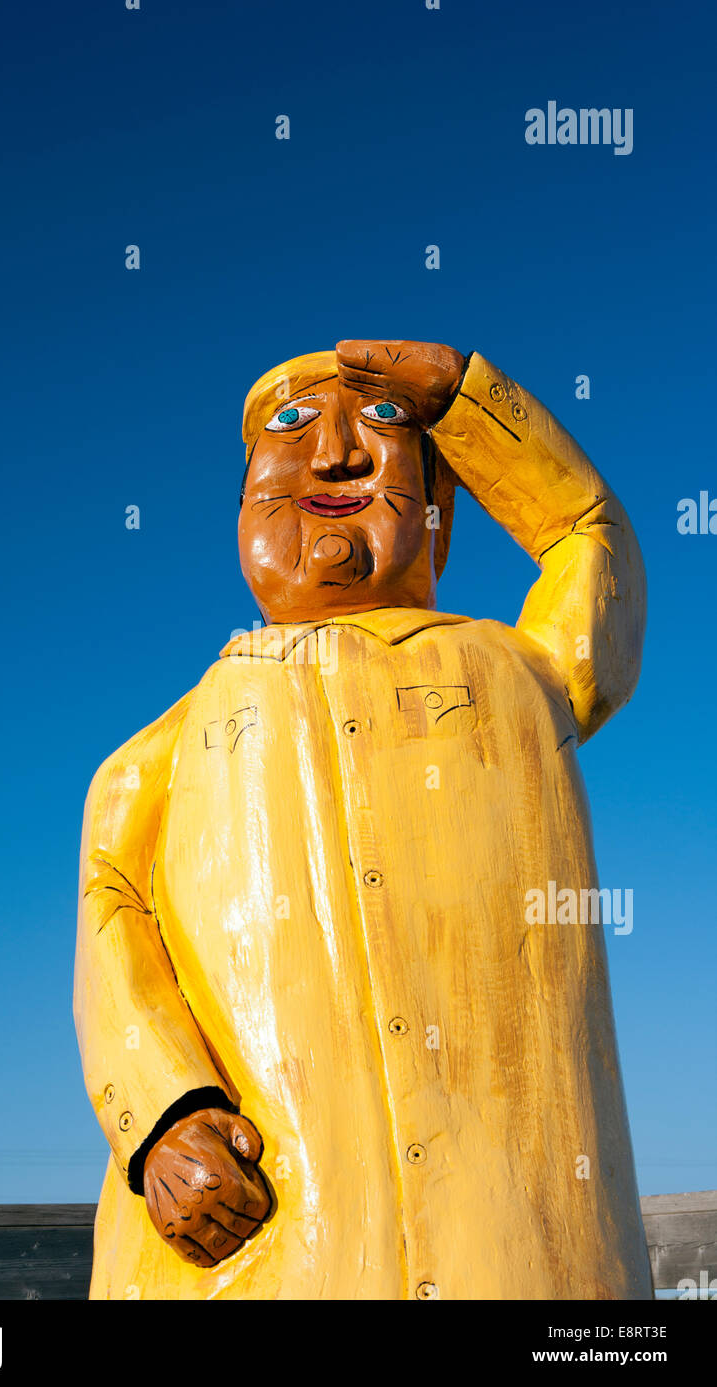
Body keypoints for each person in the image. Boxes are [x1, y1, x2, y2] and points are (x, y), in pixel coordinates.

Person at [74, 339, 653, 1300]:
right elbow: (112, 929)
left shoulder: (525, 673)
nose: (337, 456)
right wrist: (161, 1119)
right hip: (267, 1258)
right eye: (291, 430)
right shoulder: (152, 760)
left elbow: (588, 539)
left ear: (444, 512)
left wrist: (469, 400)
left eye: (382, 426)